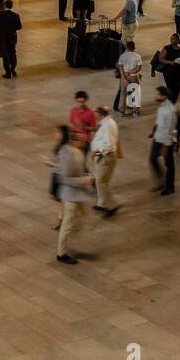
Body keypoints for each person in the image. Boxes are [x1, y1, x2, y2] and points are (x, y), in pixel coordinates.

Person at [53, 125, 95, 265]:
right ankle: (61, 253)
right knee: (67, 225)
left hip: (79, 194)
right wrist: (82, 181)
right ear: (74, 139)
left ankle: (71, 241)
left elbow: (82, 169)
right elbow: (64, 179)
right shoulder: (67, 154)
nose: (84, 139)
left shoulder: (78, 151)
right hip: (70, 196)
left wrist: (87, 176)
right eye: (81, 137)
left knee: (83, 221)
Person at [88, 105, 122, 217]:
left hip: (106, 157)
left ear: (100, 114)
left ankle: (111, 206)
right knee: (100, 181)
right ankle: (101, 204)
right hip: (103, 157)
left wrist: (97, 151)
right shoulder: (106, 123)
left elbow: (110, 144)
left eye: (96, 113)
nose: (94, 115)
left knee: (102, 182)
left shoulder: (108, 125)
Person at [149, 86, 177, 196]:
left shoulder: (170, 110)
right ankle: (162, 181)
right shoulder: (161, 106)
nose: (156, 96)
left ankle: (170, 187)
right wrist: (153, 131)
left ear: (164, 96)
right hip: (157, 137)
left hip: (167, 141)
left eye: (158, 94)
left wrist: (166, 147)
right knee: (152, 159)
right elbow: (158, 121)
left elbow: (169, 130)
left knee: (169, 164)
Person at [0, 0, 22, 78]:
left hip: (2, 37)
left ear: (5, 6)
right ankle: (13, 69)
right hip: (12, 37)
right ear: (12, 6)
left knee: (5, 54)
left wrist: (0, 31)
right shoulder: (16, 15)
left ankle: (7, 72)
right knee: (12, 52)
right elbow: (19, 27)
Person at [115, 41, 142, 116]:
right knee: (135, 93)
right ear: (134, 47)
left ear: (126, 47)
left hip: (124, 76)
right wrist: (130, 73)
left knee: (123, 93)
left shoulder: (122, 56)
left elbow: (120, 68)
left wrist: (124, 77)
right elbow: (138, 68)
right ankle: (136, 112)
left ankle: (121, 111)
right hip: (134, 76)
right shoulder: (137, 56)